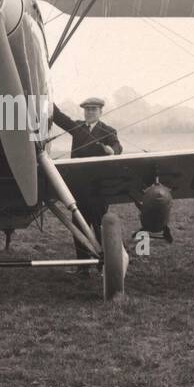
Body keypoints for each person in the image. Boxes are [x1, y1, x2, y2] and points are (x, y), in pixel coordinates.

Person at [51, 97, 122, 269]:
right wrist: (47, 99)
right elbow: (59, 117)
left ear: (100, 112)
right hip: (78, 189)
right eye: (87, 109)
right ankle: (82, 268)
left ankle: (103, 266)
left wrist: (113, 151)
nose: (89, 112)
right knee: (78, 228)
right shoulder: (78, 128)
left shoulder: (108, 131)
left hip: (98, 190)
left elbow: (117, 146)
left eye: (93, 109)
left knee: (99, 228)